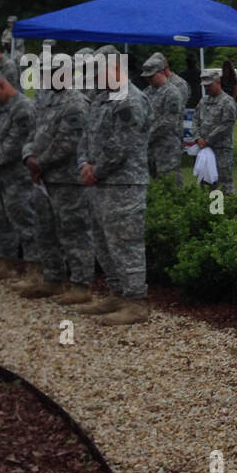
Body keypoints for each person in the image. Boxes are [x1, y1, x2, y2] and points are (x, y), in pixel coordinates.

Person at [76, 58, 152, 325]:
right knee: (102, 241)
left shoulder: (131, 100)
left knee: (125, 241)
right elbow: (85, 135)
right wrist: (84, 164)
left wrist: (95, 170)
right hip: (99, 183)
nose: (94, 78)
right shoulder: (100, 98)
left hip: (124, 184)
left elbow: (122, 146)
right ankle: (117, 292)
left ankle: (135, 302)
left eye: (98, 73)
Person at [20, 64, 94, 301]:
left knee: (73, 231)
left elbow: (69, 143)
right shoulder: (47, 101)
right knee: (45, 228)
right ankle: (53, 278)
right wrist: (29, 156)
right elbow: (33, 134)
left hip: (67, 180)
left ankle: (81, 284)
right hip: (44, 179)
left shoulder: (76, 103)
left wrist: (39, 162)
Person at [0, 68, 38, 283]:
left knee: (25, 223)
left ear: (1, 85)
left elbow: (16, 143)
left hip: (17, 178)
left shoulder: (23, 109)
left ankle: (35, 271)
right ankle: (5, 263)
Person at [141, 52, 185, 185]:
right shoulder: (147, 92)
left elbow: (169, 122)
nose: (148, 79)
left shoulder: (172, 92)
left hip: (167, 147)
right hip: (150, 148)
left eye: (151, 76)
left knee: (169, 184)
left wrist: (146, 135)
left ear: (161, 72)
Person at [192, 68, 236, 187]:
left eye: (209, 85)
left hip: (221, 151)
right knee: (205, 183)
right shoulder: (203, 101)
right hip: (204, 149)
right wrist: (197, 138)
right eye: (205, 85)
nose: (207, 88)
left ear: (218, 82)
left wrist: (207, 140)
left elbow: (226, 125)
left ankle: (223, 206)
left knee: (222, 184)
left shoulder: (227, 102)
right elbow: (195, 119)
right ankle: (208, 205)